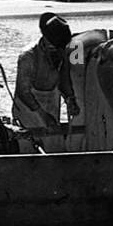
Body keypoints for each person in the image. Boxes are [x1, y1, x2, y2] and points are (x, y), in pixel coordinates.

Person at [12, 12, 73, 143]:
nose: (56, 49)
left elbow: (64, 79)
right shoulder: (28, 56)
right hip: (28, 110)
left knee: (55, 146)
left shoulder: (64, 52)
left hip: (51, 105)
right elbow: (23, 92)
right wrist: (42, 115)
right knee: (29, 148)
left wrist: (70, 99)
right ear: (45, 38)